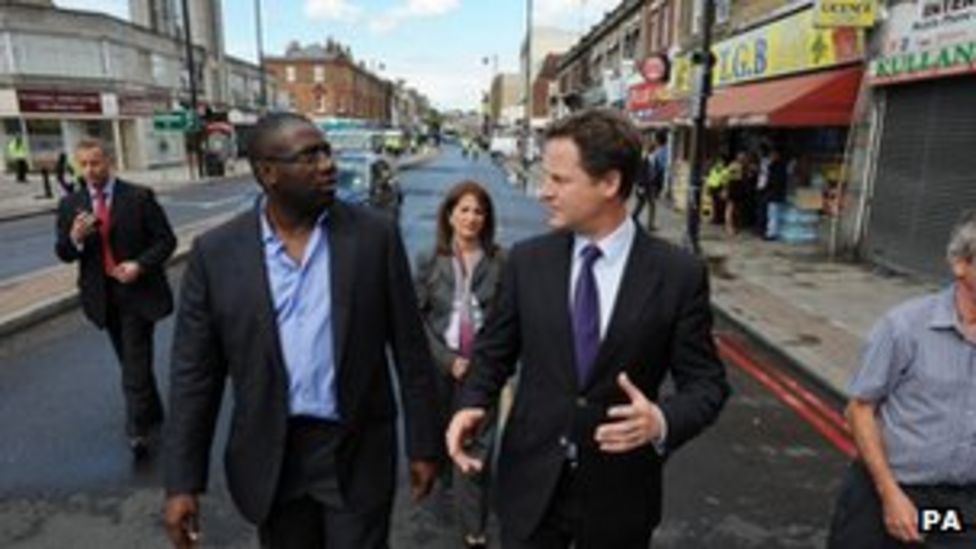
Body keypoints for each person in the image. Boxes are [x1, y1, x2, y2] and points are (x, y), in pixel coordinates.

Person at [446, 108, 730, 548]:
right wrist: (473, 402)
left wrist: (661, 420)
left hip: (619, 498)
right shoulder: (528, 262)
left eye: (559, 180)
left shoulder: (677, 274)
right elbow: (493, 353)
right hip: (530, 490)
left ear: (609, 183)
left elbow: (707, 385)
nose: (544, 191)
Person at [162, 113, 441, 549]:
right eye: (309, 156)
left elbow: (410, 347)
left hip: (356, 452)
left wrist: (423, 443)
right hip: (272, 458)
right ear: (268, 172)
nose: (328, 164)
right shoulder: (215, 254)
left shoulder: (374, 237)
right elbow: (194, 376)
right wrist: (182, 483)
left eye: (326, 151)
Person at [827, 212, 976, 548]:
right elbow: (859, 410)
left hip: (956, 508)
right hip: (887, 492)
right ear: (960, 264)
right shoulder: (904, 327)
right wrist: (890, 494)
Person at [54, 137, 176, 458]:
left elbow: (166, 241)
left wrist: (139, 265)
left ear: (109, 161)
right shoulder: (71, 205)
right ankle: (153, 410)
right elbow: (64, 253)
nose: (89, 170)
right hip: (102, 296)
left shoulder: (138, 197)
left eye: (95, 163)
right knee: (129, 358)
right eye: (83, 164)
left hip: (138, 292)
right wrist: (75, 238)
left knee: (134, 359)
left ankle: (137, 429)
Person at [414, 181, 506, 549]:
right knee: (443, 437)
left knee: (477, 444)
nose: (471, 218)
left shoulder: (501, 261)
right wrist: (447, 360)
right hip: (441, 366)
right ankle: (448, 479)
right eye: (464, 210)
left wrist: (487, 364)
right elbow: (417, 319)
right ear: (450, 215)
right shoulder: (429, 259)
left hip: (482, 371)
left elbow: (505, 322)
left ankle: (474, 530)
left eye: (479, 211)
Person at [630, 133, 666, 232]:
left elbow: (655, 171)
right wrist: (640, 185)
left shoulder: (652, 158)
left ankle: (648, 224)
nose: (654, 149)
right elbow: (639, 173)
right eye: (652, 148)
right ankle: (634, 219)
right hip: (644, 184)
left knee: (650, 204)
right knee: (642, 204)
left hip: (650, 184)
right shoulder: (643, 159)